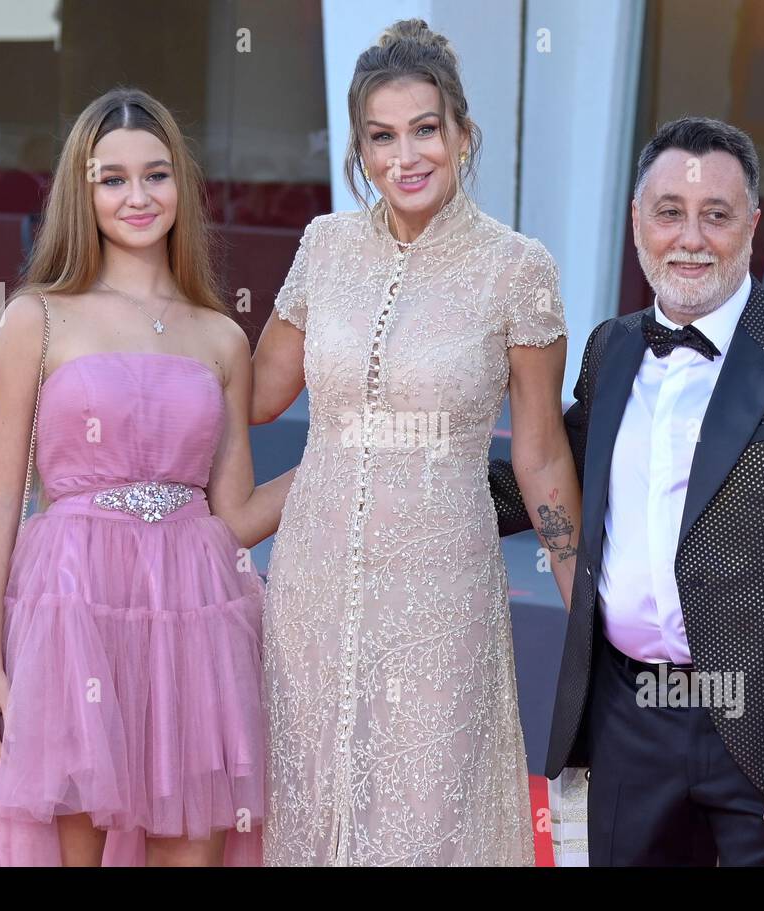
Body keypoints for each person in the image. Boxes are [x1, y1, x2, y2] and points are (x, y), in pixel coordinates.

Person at [0, 88, 294, 866]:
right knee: (67, 846)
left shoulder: (221, 337)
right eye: (112, 179)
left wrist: (336, 467)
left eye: (156, 175)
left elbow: (235, 515)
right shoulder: (37, 318)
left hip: (194, 618)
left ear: (183, 184)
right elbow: (2, 496)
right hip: (70, 612)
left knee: (197, 847)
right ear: (83, 192)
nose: (138, 197)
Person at [491, 116, 764, 866]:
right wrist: (396, 473)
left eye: (716, 214)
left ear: (751, 225)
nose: (690, 237)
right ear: (638, 223)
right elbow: (548, 475)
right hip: (627, 716)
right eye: (670, 212)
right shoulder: (611, 347)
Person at [249, 19, 580, 865]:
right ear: (359, 150)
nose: (407, 156)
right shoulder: (323, 248)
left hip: (441, 588)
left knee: (426, 813)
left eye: (425, 129)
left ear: (463, 134)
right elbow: (254, 398)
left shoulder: (518, 267)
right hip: (310, 584)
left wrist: (587, 603)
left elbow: (539, 451)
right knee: (309, 797)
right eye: (381, 136)